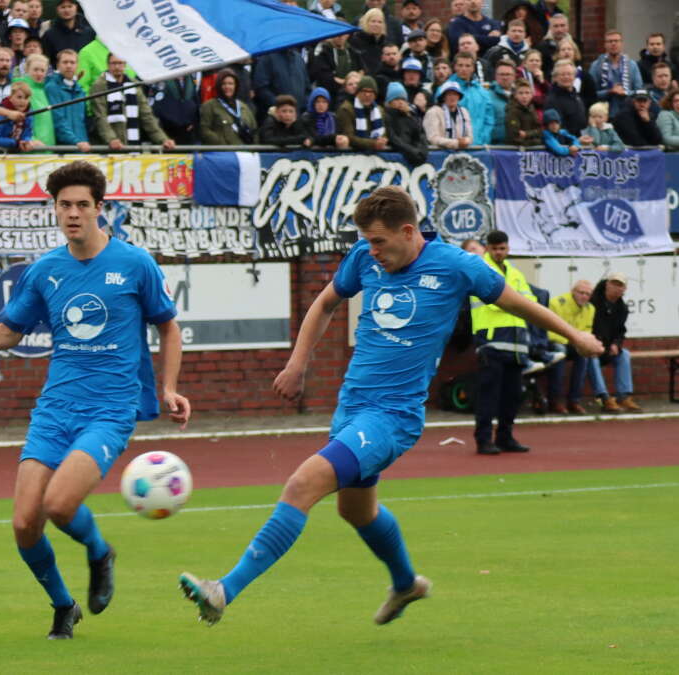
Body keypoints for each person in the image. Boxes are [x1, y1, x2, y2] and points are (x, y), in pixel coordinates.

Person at [176, 187, 601, 626]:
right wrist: (298, 363)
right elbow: (325, 303)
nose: (372, 250)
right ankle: (406, 584)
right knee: (356, 510)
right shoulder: (364, 258)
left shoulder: (458, 266)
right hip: (352, 409)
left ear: (408, 231)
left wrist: (576, 337)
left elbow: (522, 305)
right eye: (367, 241)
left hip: (393, 416)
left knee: (303, 484)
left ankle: (224, 589)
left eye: (379, 241)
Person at [0, 160, 190, 639]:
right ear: (55, 209)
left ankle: (99, 552)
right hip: (55, 409)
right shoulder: (45, 271)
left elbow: (168, 327)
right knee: (25, 523)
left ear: (100, 210)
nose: (73, 213)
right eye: (65, 205)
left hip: (111, 409)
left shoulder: (135, 264)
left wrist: (170, 387)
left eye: (82, 205)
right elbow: (7, 333)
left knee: (61, 504)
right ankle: (63, 605)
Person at [470, 229, 537, 456]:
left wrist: (515, 302)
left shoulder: (515, 274)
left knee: (512, 396)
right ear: (487, 248)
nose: (499, 252)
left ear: (507, 249)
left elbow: (531, 301)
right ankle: (484, 439)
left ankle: (506, 436)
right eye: (495, 248)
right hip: (491, 342)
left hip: (517, 345)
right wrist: (515, 302)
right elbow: (492, 303)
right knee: (489, 395)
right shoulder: (480, 270)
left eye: (502, 248)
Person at [90, 53, 175, 150]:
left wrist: (162, 139)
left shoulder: (133, 84)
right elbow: (100, 117)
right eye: (113, 63)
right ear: (108, 65)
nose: (117, 67)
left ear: (125, 65)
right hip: (108, 146)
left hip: (133, 142)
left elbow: (146, 116)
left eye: (120, 63)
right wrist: (111, 139)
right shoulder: (99, 86)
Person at [588, 274, 640, 413]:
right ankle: (604, 398)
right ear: (607, 284)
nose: (617, 288)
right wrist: (594, 343)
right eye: (614, 284)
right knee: (591, 357)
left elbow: (621, 331)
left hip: (608, 349)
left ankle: (623, 396)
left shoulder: (622, 308)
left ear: (624, 289)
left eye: (620, 285)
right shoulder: (592, 302)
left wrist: (616, 344)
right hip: (590, 346)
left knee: (624, 355)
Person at [546, 279, 595, 414]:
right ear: (573, 292)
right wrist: (572, 341)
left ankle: (574, 401)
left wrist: (580, 344)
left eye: (588, 294)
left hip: (573, 343)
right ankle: (554, 401)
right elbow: (549, 330)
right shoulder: (557, 303)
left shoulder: (590, 309)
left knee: (583, 356)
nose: (584, 296)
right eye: (581, 293)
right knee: (561, 352)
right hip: (555, 341)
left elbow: (587, 331)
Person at [45, 48, 90, 151]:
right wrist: (76, 141)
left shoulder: (80, 91)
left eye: (72, 62)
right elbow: (57, 120)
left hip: (82, 146)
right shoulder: (51, 88)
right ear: (58, 65)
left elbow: (83, 122)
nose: (69, 65)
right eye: (65, 62)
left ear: (77, 65)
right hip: (63, 147)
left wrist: (83, 142)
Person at [591, 30, 643, 118]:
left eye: (616, 41)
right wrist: (609, 91)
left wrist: (626, 92)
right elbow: (591, 93)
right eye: (610, 41)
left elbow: (639, 91)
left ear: (622, 43)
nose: (613, 44)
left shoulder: (632, 65)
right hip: (603, 114)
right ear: (605, 44)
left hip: (628, 113)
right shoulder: (596, 65)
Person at [200, 68, 257, 145]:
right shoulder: (209, 106)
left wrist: (253, 147)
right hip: (223, 153)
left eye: (230, 84)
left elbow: (254, 130)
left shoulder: (244, 107)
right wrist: (224, 145)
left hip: (245, 153)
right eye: (223, 83)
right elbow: (204, 130)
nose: (227, 87)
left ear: (236, 86)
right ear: (218, 85)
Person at [447, 52, 493, 145]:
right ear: (455, 67)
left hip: (479, 145)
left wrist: (483, 139)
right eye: (460, 65)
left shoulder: (482, 92)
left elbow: (489, 119)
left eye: (468, 66)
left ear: (473, 68)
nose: (464, 69)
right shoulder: (445, 89)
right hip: (453, 146)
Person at [0, 78, 38, 151]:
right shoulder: (0, 113)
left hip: (14, 156)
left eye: (26, 98)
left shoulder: (29, 115)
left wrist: (26, 141)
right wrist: (15, 143)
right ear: (10, 97)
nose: (22, 101)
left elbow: (28, 133)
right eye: (19, 97)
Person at [335, 75, 388, 152]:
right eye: (364, 91)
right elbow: (349, 136)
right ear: (357, 93)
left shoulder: (379, 111)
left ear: (375, 95)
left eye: (371, 92)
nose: (367, 95)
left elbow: (383, 132)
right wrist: (373, 143)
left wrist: (382, 141)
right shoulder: (346, 109)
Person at [310, 32, 363, 101]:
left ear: (347, 35)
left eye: (342, 34)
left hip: (354, 96)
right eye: (337, 34)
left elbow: (362, 70)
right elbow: (325, 77)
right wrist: (347, 82)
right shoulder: (324, 52)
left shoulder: (353, 52)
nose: (340, 37)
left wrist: (350, 82)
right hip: (330, 96)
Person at [14, 52, 52, 146]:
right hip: (29, 148)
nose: (39, 73)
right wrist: (31, 139)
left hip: (47, 148)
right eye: (35, 70)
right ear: (27, 70)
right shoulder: (20, 88)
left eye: (43, 70)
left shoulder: (44, 90)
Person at [384, 82, 427, 164]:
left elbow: (421, 135)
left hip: (415, 156)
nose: (400, 102)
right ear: (389, 102)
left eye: (403, 99)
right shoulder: (387, 117)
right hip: (397, 160)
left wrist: (423, 151)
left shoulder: (412, 116)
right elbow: (393, 139)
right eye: (396, 99)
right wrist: (412, 151)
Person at [545, 59, 589, 136]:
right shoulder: (552, 100)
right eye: (562, 74)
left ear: (574, 76)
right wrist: (576, 140)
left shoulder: (577, 97)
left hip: (581, 143)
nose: (566, 77)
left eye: (569, 74)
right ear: (555, 77)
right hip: (566, 145)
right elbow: (557, 129)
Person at [423, 80, 470, 149]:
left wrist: (466, 141)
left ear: (459, 97)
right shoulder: (433, 112)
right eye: (449, 94)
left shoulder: (464, 112)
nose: (452, 97)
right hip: (437, 154)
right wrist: (456, 143)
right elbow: (432, 138)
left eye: (455, 94)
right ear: (443, 97)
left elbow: (469, 136)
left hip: (460, 152)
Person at [41, 0, 91, 64]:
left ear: (76, 7)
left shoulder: (88, 33)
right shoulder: (50, 35)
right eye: (63, 7)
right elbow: (45, 60)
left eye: (70, 6)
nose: (66, 10)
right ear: (57, 9)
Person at [505, 78, 542, 146]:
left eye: (527, 93)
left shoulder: (532, 109)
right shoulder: (512, 111)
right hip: (516, 151)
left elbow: (540, 131)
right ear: (515, 95)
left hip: (532, 149)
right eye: (521, 93)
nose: (524, 96)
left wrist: (526, 134)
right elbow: (515, 137)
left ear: (531, 95)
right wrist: (536, 141)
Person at [487, 60, 516, 143]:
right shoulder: (487, 95)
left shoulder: (520, 95)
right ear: (496, 76)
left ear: (514, 76)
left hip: (517, 146)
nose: (505, 77)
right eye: (502, 74)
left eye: (508, 74)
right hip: (494, 145)